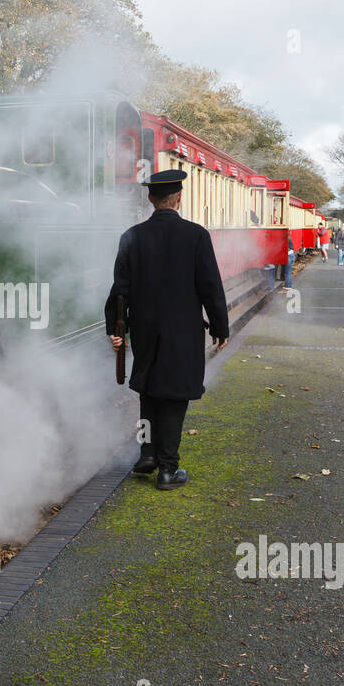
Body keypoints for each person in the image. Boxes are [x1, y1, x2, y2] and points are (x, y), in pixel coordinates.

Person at [106, 169, 229, 492]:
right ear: (178, 198)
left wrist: (115, 328)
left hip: (145, 330)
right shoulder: (196, 236)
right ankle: (168, 469)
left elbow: (120, 290)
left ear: (150, 199)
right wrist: (219, 326)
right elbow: (210, 288)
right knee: (174, 396)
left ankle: (147, 454)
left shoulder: (131, 236)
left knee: (148, 391)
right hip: (182, 332)